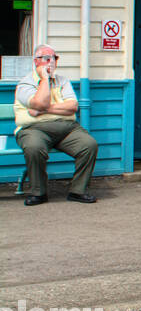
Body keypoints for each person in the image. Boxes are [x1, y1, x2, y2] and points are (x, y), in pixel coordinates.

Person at [13, 45, 99, 205]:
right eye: (46, 58)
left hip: (67, 129)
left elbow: (73, 107)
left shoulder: (63, 81)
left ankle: (78, 191)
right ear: (36, 61)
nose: (51, 62)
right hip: (33, 130)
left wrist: (42, 110)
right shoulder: (25, 84)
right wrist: (45, 79)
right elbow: (39, 102)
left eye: (54, 58)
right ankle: (38, 192)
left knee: (89, 144)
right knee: (34, 148)